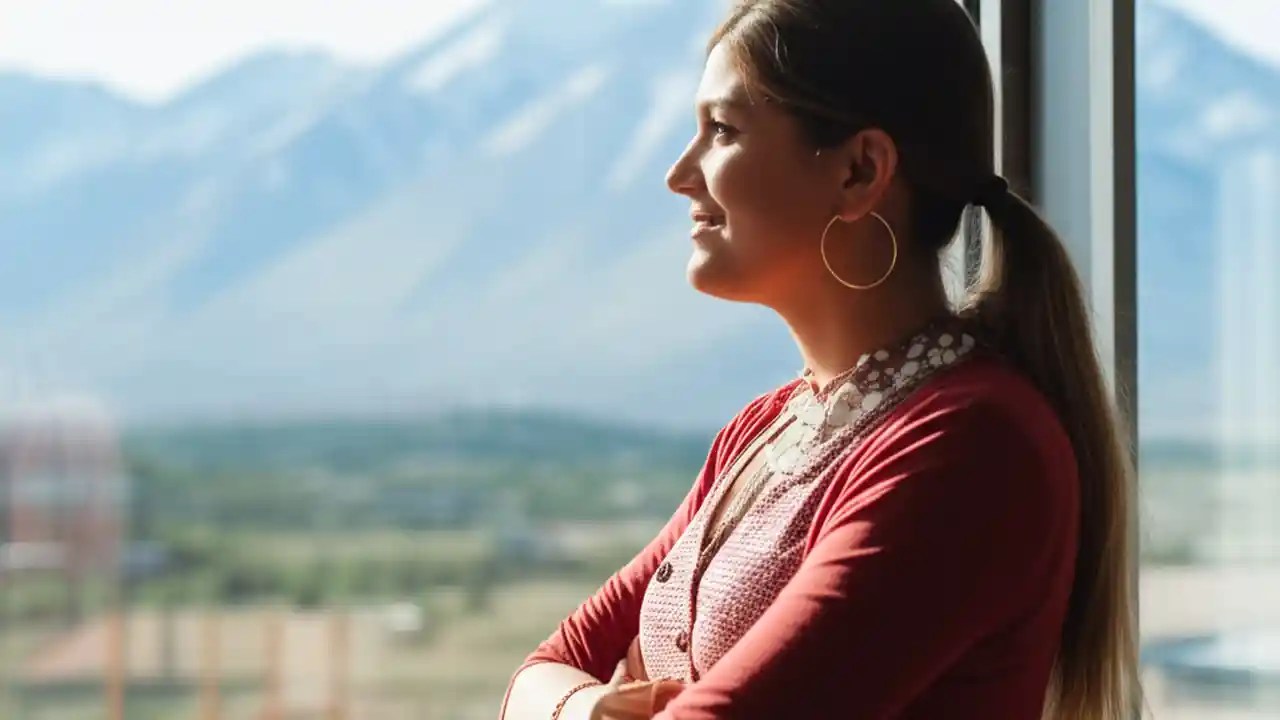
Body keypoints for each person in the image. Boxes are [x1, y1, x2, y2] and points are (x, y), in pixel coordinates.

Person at [501, 0, 1141, 718]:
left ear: (859, 171)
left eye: (722, 130)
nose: (679, 175)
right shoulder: (763, 432)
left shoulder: (971, 444)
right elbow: (541, 669)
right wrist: (585, 709)